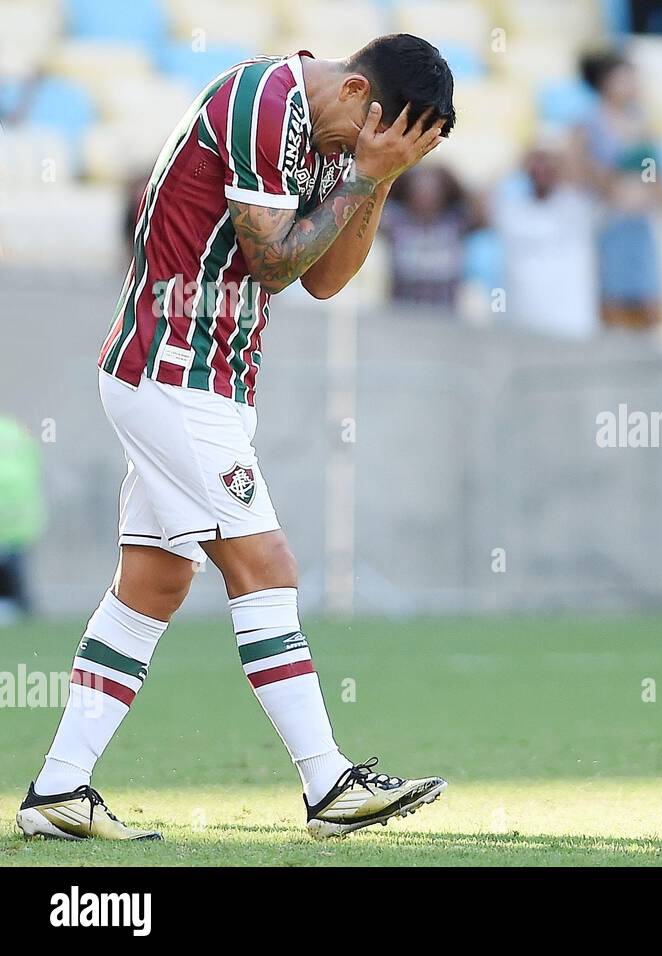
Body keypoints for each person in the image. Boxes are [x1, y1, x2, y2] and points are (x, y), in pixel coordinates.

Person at [19, 35, 455, 843]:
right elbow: (277, 259)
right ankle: (329, 785)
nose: (369, 156)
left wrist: (378, 177)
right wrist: (364, 173)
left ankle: (59, 790)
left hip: (204, 379)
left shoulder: (335, 140)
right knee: (268, 566)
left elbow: (326, 278)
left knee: (153, 585)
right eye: (381, 137)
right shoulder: (263, 105)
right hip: (173, 369)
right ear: (358, 93)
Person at [576, 51, 662, 330]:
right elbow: (580, 173)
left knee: (650, 304)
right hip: (609, 222)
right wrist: (610, 183)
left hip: (641, 223)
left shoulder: (641, 123)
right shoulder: (589, 124)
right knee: (612, 303)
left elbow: (660, 178)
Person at [495, 140, 601, 339]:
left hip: (572, 329)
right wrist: (517, 163)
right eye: (538, 161)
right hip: (521, 328)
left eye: (550, 162)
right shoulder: (512, 209)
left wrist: (568, 159)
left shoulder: (579, 205)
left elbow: (606, 186)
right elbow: (480, 200)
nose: (543, 167)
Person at [382, 164, 480, 310]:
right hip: (402, 314)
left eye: (433, 189)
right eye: (419, 189)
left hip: (445, 315)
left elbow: (480, 210)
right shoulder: (396, 222)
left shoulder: (455, 222)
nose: (425, 196)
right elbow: (373, 205)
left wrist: (453, 179)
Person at [0, 417, 44, 623]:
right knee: (18, 596)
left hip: (16, 528)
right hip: (20, 526)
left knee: (16, 594)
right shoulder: (17, 431)